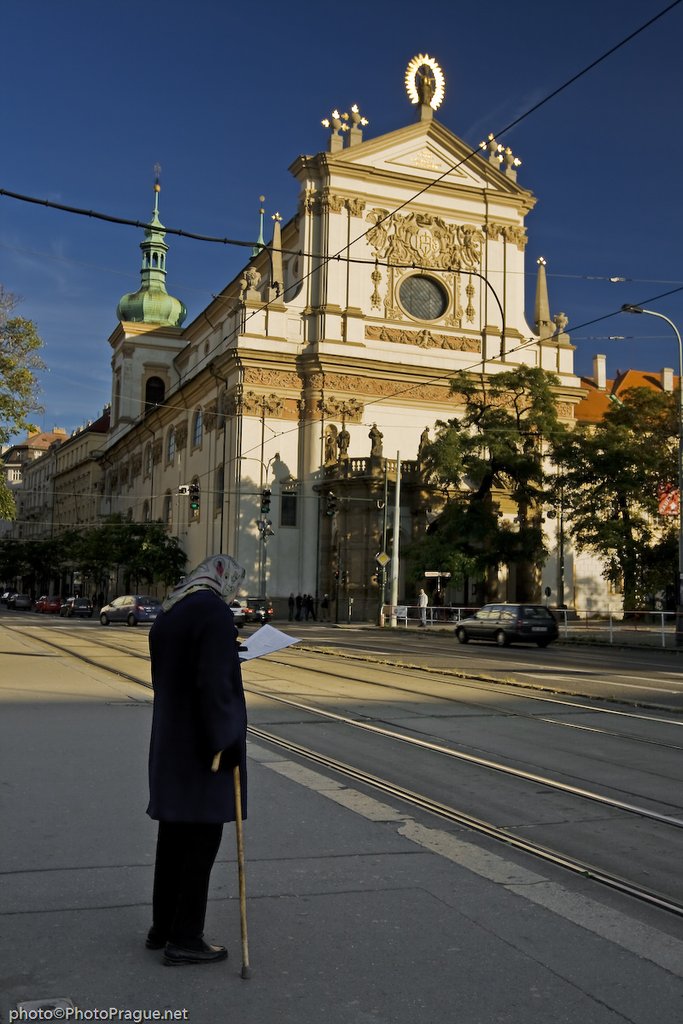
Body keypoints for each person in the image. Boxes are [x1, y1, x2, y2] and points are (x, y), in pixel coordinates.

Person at [146, 554, 248, 966]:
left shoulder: (175, 607)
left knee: (173, 838)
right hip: (203, 745)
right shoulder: (213, 611)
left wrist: (227, 652)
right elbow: (212, 685)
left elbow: (184, 668)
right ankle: (186, 938)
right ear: (225, 581)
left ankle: (163, 927)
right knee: (202, 840)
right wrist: (227, 740)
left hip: (172, 739)